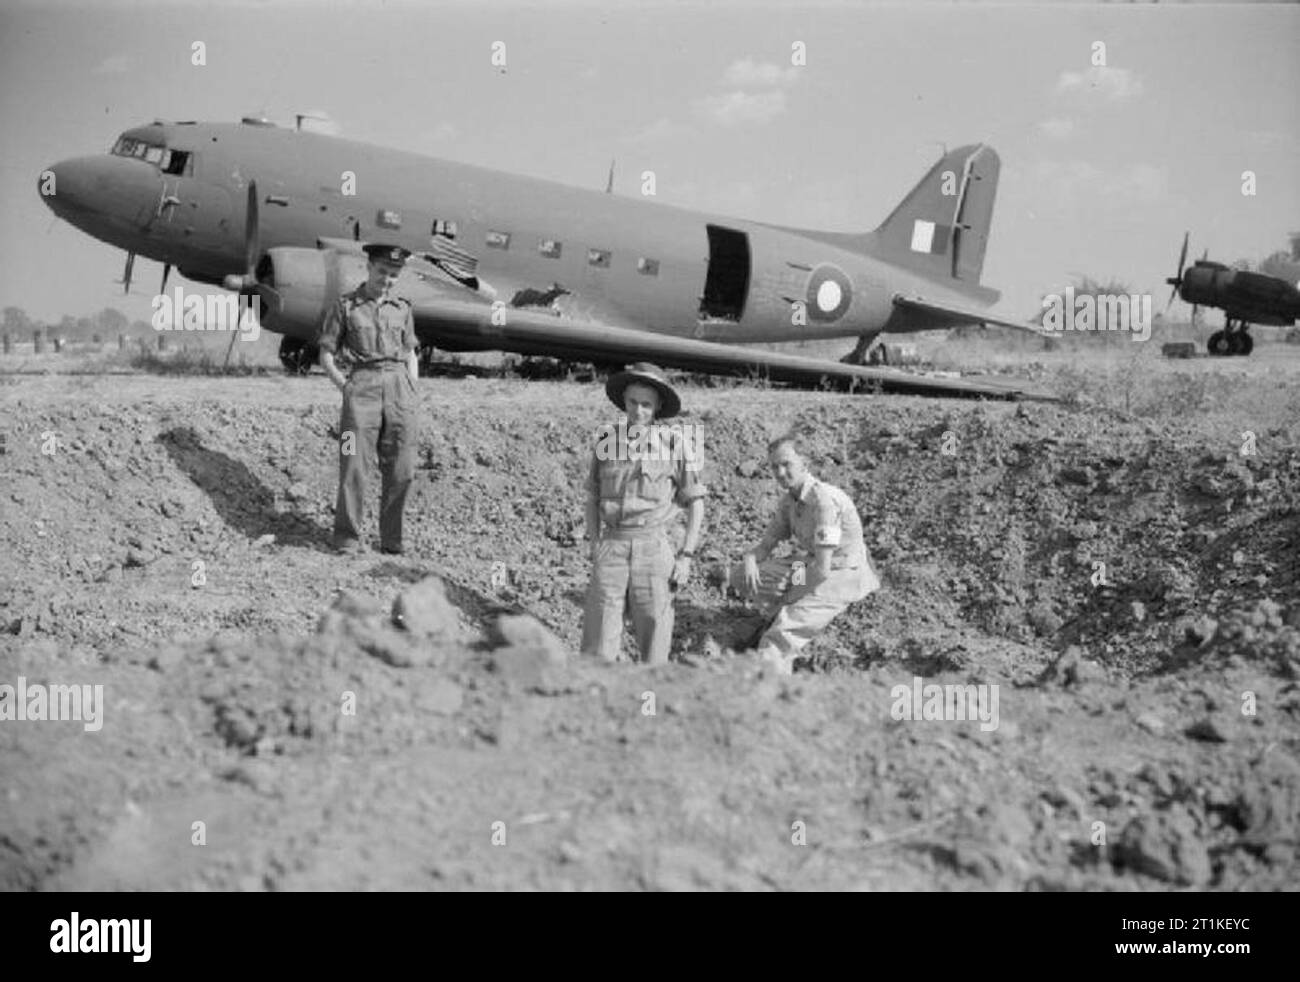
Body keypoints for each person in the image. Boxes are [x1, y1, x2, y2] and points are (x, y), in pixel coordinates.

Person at [581, 363, 706, 664]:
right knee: (599, 640)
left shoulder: (676, 443)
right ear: (624, 401)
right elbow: (593, 496)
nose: (638, 411)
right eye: (633, 402)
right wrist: (594, 543)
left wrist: (686, 556)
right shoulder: (606, 441)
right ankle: (595, 702)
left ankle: (649, 705)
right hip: (611, 546)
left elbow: (696, 502)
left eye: (647, 405)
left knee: (655, 636)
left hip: (653, 547)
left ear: (658, 407)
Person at [727, 433, 879, 674]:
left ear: (804, 463)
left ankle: (773, 694)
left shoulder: (823, 502)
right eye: (775, 467)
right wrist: (748, 559)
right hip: (808, 565)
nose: (780, 472)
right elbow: (766, 546)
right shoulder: (789, 501)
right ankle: (785, 603)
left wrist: (786, 602)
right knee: (740, 576)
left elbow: (822, 570)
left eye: (786, 464)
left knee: (779, 634)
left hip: (843, 573)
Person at [317, 243, 420, 556]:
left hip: (401, 392)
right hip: (361, 392)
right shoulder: (346, 306)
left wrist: (413, 388)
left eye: (393, 274)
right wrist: (346, 388)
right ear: (369, 268)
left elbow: (411, 351)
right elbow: (326, 355)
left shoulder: (403, 308)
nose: (387, 279)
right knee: (353, 465)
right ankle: (346, 538)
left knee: (403, 469)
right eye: (382, 272)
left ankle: (392, 540)